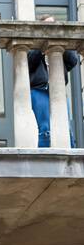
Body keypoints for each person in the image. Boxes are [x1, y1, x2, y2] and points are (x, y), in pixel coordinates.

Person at [28, 18, 79, 148]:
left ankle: (71, 159)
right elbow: (28, 63)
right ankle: (43, 161)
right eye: (47, 25)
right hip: (39, 90)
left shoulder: (62, 42)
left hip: (58, 91)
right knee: (45, 128)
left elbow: (73, 61)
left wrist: (60, 40)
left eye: (53, 25)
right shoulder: (32, 42)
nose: (50, 28)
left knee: (65, 127)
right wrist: (41, 45)